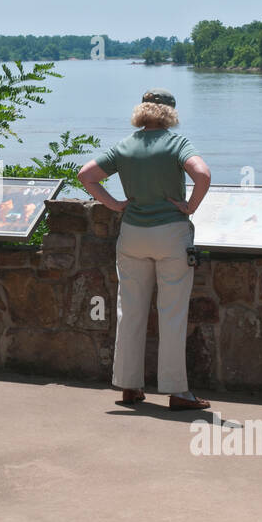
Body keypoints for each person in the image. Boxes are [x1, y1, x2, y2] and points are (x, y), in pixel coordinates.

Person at [78, 88, 212, 409]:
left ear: (143, 111)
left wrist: (115, 204)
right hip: (170, 235)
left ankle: (128, 386)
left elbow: (86, 175)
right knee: (172, 314)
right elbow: (203, 174)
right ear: (170, 113)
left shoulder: (127, 145)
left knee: (130, 312)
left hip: (132, 234)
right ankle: (177, 392)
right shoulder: (177, 144)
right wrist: (189, 206)